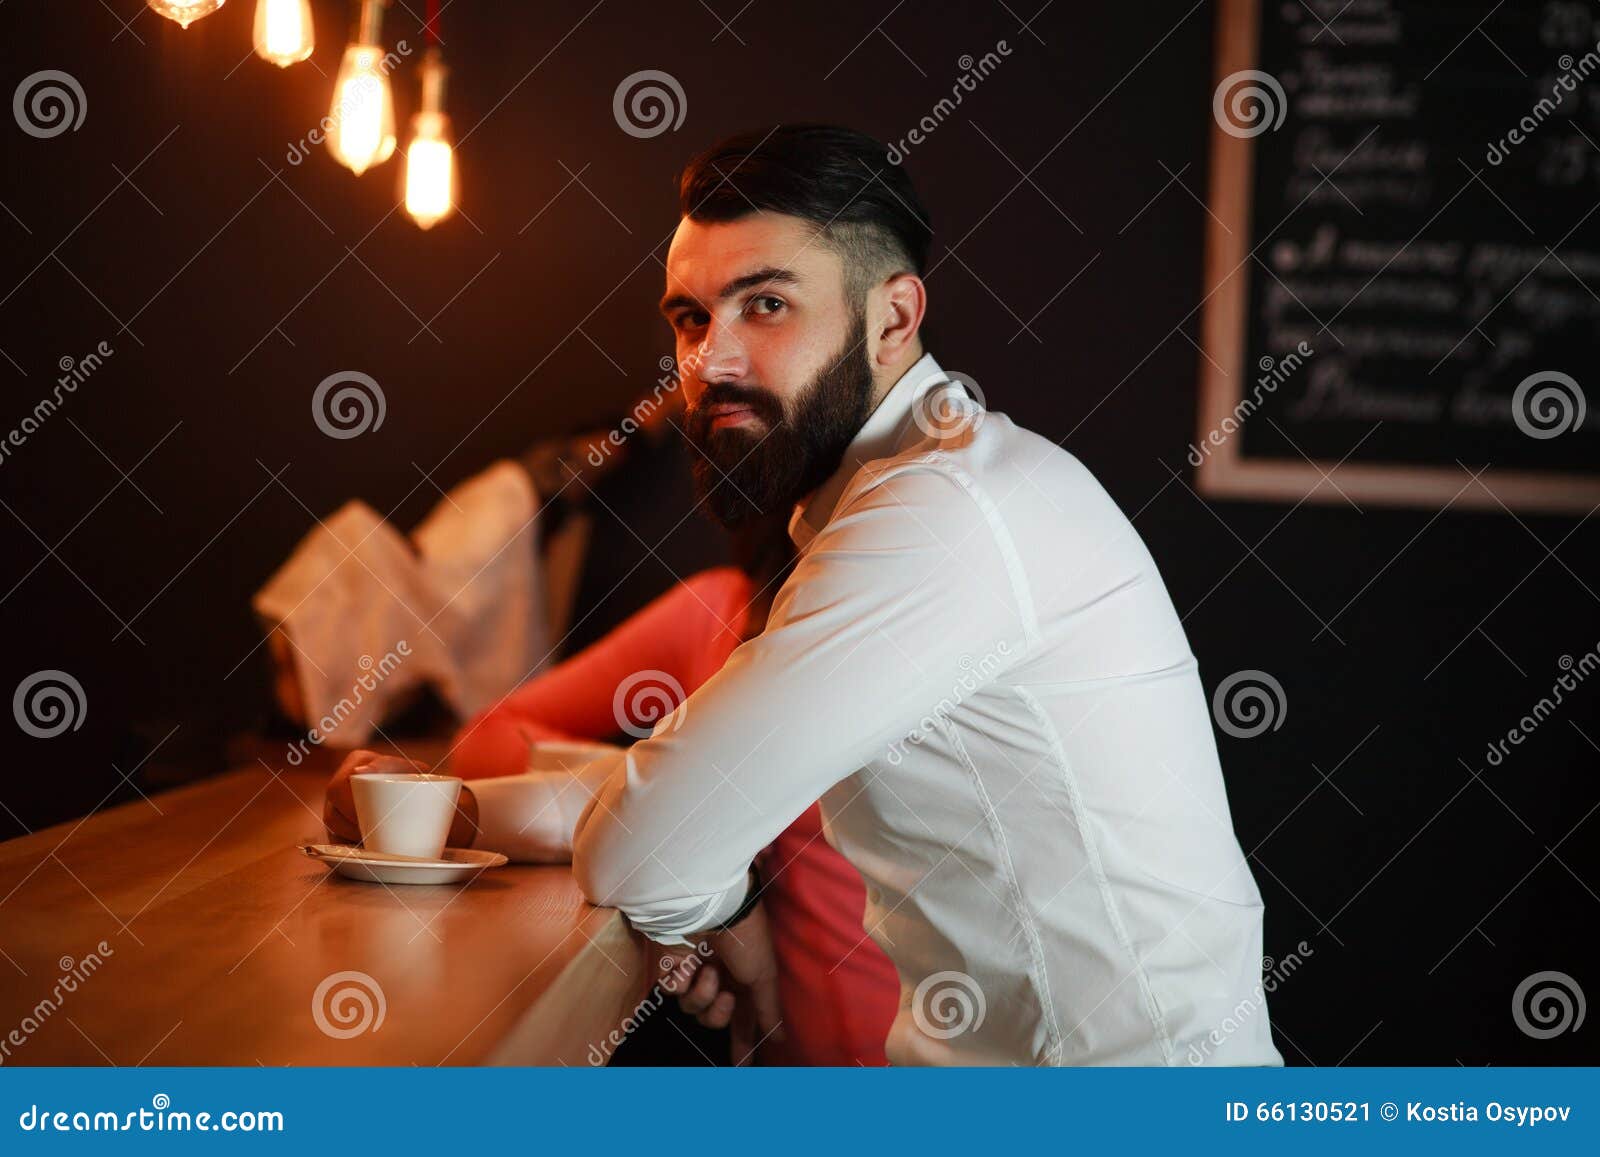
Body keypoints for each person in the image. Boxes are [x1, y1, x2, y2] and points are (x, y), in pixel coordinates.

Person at [350, 123, 1283, 1066]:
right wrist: (435, 813)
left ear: (893, 318)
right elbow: (671, 790)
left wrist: (717, 899)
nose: (710, 361)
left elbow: (645, 846)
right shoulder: (904, 497)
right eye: (691, 318)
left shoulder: (940, 514)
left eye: (766, 305)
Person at [322, 511, 901, 1066]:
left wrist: (672, 811)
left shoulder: (915, 629)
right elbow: (489, 735)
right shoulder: (720, 613)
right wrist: (671, 816)